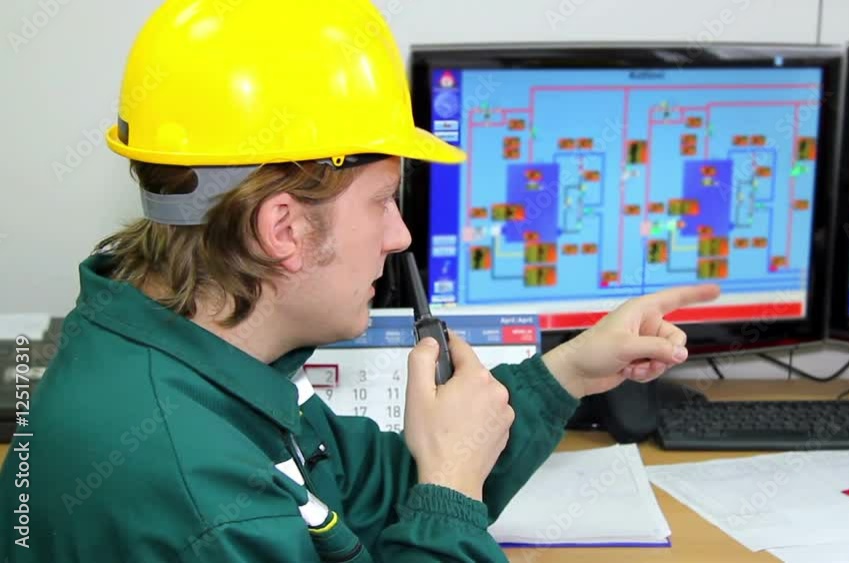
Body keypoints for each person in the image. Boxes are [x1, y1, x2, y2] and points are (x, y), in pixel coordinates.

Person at [0, 1, 720, 561]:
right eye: (382, 201)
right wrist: (450, 490)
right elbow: (427, 494)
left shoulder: (204, 362)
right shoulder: (207, 503)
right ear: (283, 228)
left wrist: (565, 371)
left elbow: (377, 489)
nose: (400, 235)